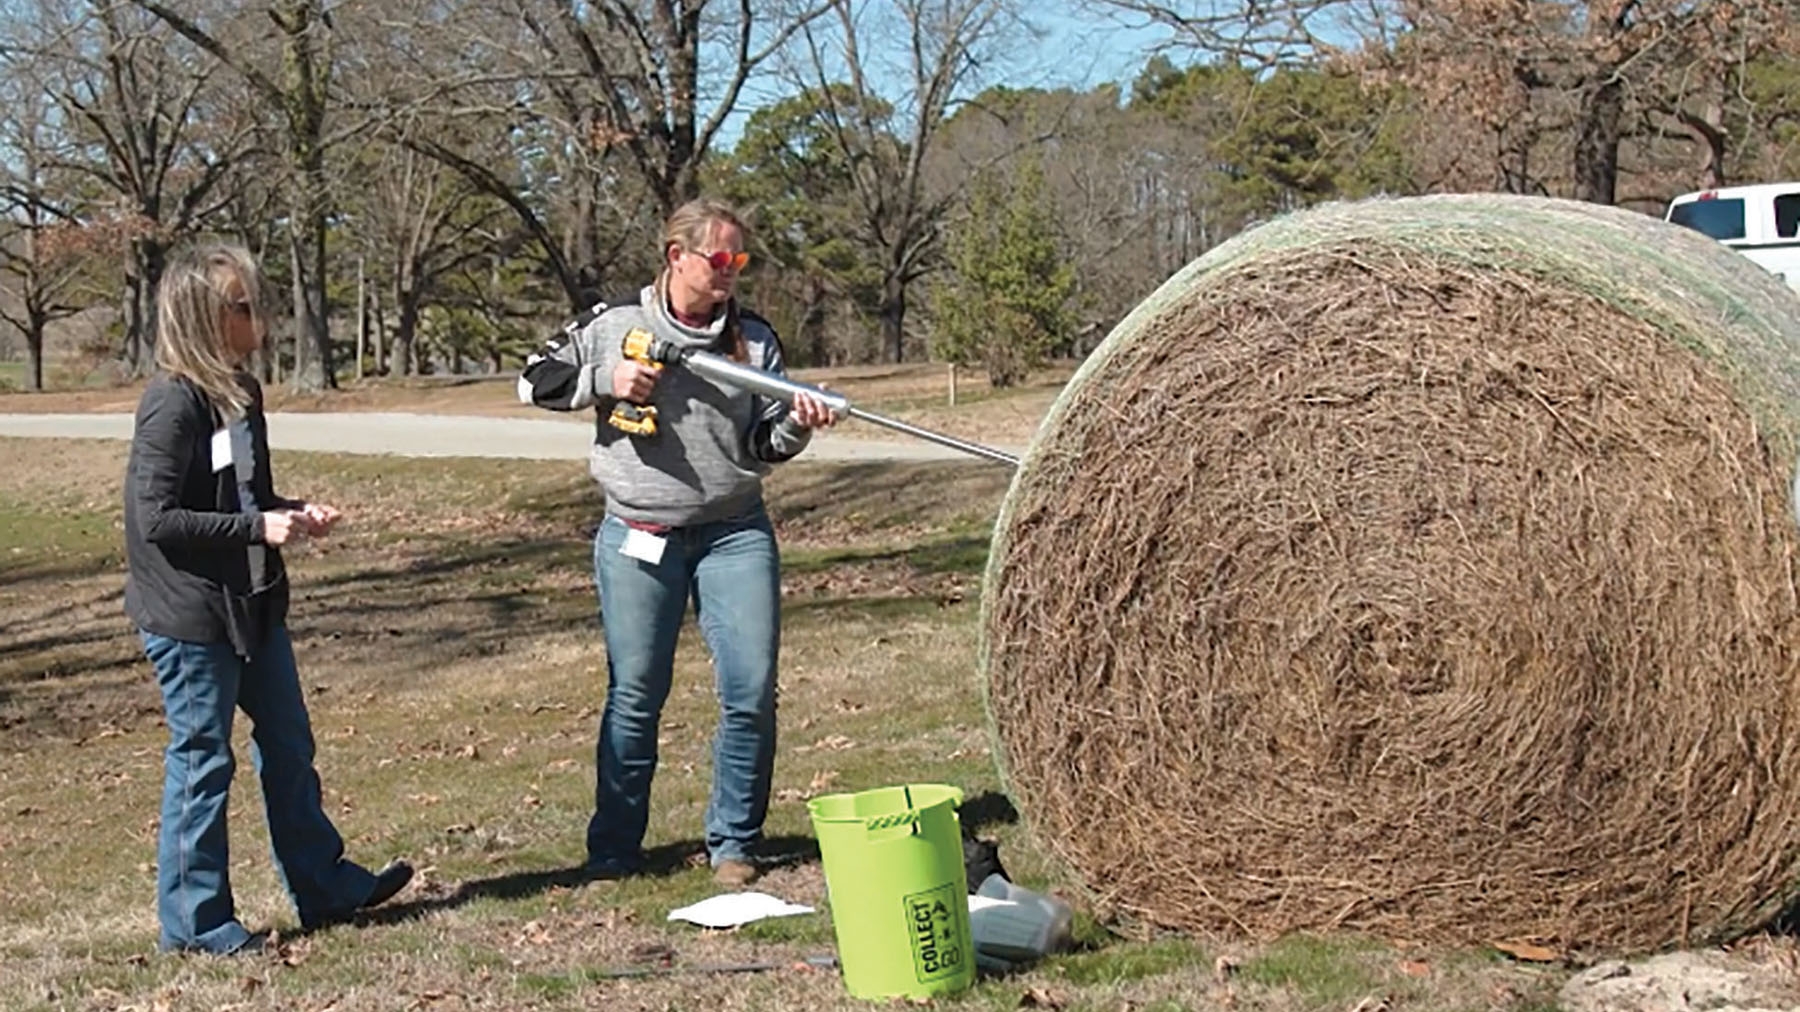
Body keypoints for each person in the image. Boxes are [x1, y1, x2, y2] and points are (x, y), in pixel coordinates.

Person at [520, 197, 838, 886]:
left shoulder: (753, 340)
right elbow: (531, 379)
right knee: (636, 692)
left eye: (739, 262)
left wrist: (799, 425)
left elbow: (761, 442)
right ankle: (613, 850)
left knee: (750, 689)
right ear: (677, 257)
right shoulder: (613, 324)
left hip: (734, 534)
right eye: (719, 260)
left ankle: (734, 844)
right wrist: (607, 381)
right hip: (638, 533)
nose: (730, 274)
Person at [123, 243, 412, 954]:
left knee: (289, 745)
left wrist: (293, 512)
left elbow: (248, 494)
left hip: (253, 604)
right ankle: (195, 928)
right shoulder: (171, 402)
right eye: (244, 306)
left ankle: (325, 888)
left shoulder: (243, 392)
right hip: (192, 615)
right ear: (203, 316)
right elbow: (154, 519)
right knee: (202, 761)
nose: (262, 318)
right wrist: (257, 526)